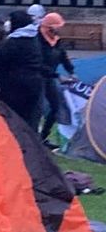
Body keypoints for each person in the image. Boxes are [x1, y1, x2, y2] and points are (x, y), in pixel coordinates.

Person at [0, 10, 44, 129]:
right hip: (34, 82)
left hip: (15, 85)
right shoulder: (34, 38)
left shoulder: (15, 41)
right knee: (30, 118)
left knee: (13, 116)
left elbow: (0, 56)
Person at [39, 13, 75, 145]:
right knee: (37, 108)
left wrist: (71, 71)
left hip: (50, 78)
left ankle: (43, 136)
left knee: (56, 106)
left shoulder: (57, 40)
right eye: (57, 26)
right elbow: (38, 63)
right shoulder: (38, 40)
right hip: (38, 78)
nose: (59, 29)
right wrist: (58, 76)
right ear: (49, 27)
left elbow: (62, 56)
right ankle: (32, 136)